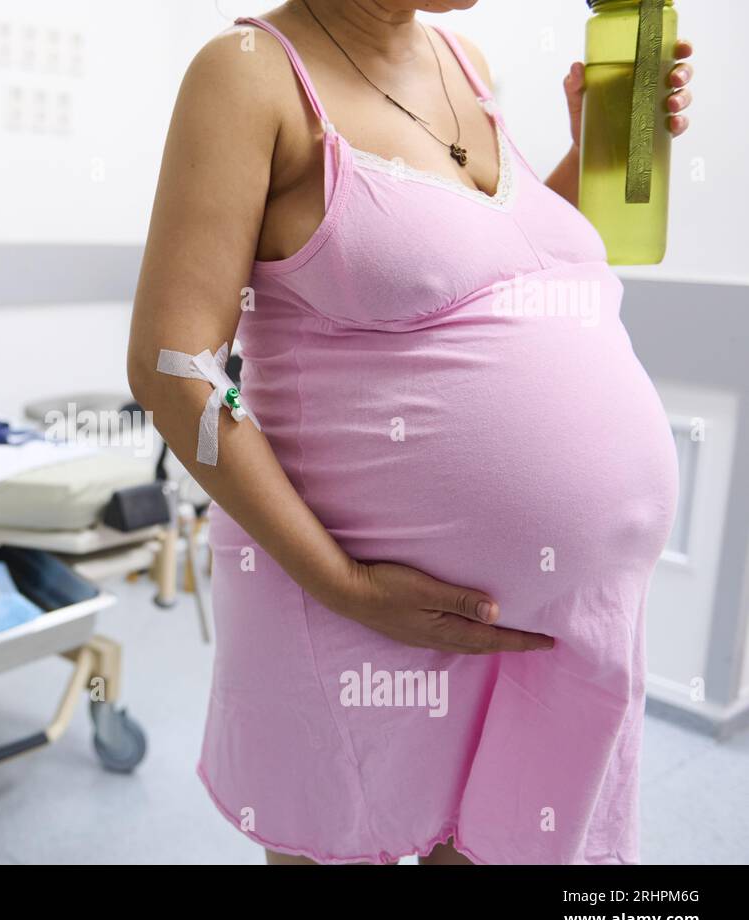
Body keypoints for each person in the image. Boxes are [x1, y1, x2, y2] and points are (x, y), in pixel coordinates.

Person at [127, 0, 695, 865]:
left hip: (553, 612)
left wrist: (598, 155)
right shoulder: (247, 71)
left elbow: (495, 273)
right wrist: (345, 582)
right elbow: (176, 370)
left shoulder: (463, 59)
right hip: (353, 598)